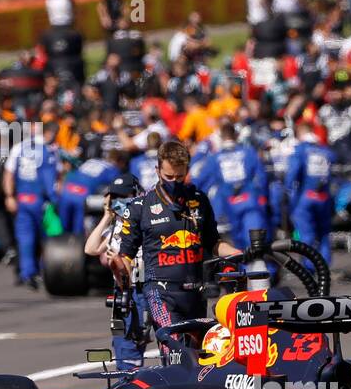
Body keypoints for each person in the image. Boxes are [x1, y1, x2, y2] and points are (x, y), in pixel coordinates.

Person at [114, 140, 238, 331]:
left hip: (196, 292)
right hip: (160, 292)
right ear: (157, 171)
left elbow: (214, 244)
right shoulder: (141, 206)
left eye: (180, 177)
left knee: (198, 355)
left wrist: (240, 254)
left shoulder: (199, 200)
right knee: (174, 346)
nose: (174, 182)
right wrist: (118, 269)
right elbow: (126, 257)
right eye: (169, 177)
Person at [84, 173, 146, 370]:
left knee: (142, 344)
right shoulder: (115, 226)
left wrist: (121, 261)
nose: (119, 201)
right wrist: (107, 216)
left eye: (124, 196)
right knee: (123, 349)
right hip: (122, 291)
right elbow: (91, 248)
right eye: (115, 197)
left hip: (143, 288)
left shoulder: (144, 222)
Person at [3, 120, 59, 289]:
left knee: (25, 239)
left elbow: (8, 174)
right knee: (50, 237)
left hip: (22, 199)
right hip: (41, 201)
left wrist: (9, 196)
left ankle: (28, 273)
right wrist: (56, 201)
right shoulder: (49, 150)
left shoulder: (18, 148)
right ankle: (47, 271)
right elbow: (53, 180)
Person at [200, 122, 268, 246]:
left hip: (228, 203)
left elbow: (201, 180)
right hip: (249, 199)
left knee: (237, 243)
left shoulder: (214, 157)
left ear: (220, 136)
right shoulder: (249, 152)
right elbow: (261, 176)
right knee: (255, 241)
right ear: (236, 135)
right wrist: (262, 197)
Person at [284, 121, 336, 265]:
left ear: (300, 133)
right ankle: (325, 267)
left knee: (307, 235)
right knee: (324, 234)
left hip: (305, 197)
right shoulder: (326, 150)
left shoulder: (300, 150)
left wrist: (286, 190)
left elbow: (293, 173)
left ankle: (310, 267)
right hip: (324, 197)